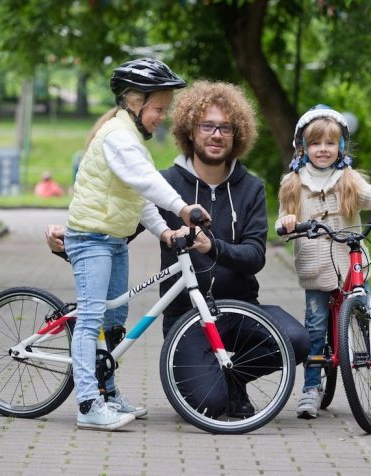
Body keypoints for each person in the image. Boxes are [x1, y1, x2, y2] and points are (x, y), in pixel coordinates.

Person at [46, 80, 310, 420]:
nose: (216, 135)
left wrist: (213, 247)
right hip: (187, 318)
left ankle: (234, 378)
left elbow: (255, 257)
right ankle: (218, 387)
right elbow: (118, 231)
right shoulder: (165, 182)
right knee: (210, 406)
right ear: (190, 130)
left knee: (297, 340)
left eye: (225, 128)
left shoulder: (252, 187)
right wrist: (68, 244)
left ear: (237, 134)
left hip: (241, 310)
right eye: (208, 126)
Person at [63, 58, 209, 432]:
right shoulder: (117, 136)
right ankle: (87, 404)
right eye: (158, 108)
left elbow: (139, 195)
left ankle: (108, 393)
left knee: (115, 320)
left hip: (113, 240)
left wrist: (164, 231)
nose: (162, 116)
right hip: (91, 237)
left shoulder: (130, 140)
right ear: (134, 102)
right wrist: (182, 208)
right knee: (92, 317)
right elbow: (146, 181)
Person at [276, 104, 371, 419]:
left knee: (370, 319)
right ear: (303, 147)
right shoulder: (294, 183)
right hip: (315, 268)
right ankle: (311, 387)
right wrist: (285, 223)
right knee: (314, 329)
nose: (322, 150)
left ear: (340, 147)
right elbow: (284, 217)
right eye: (315, 144)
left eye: (329, 143)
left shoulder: (348, 181)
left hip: (350, 265)